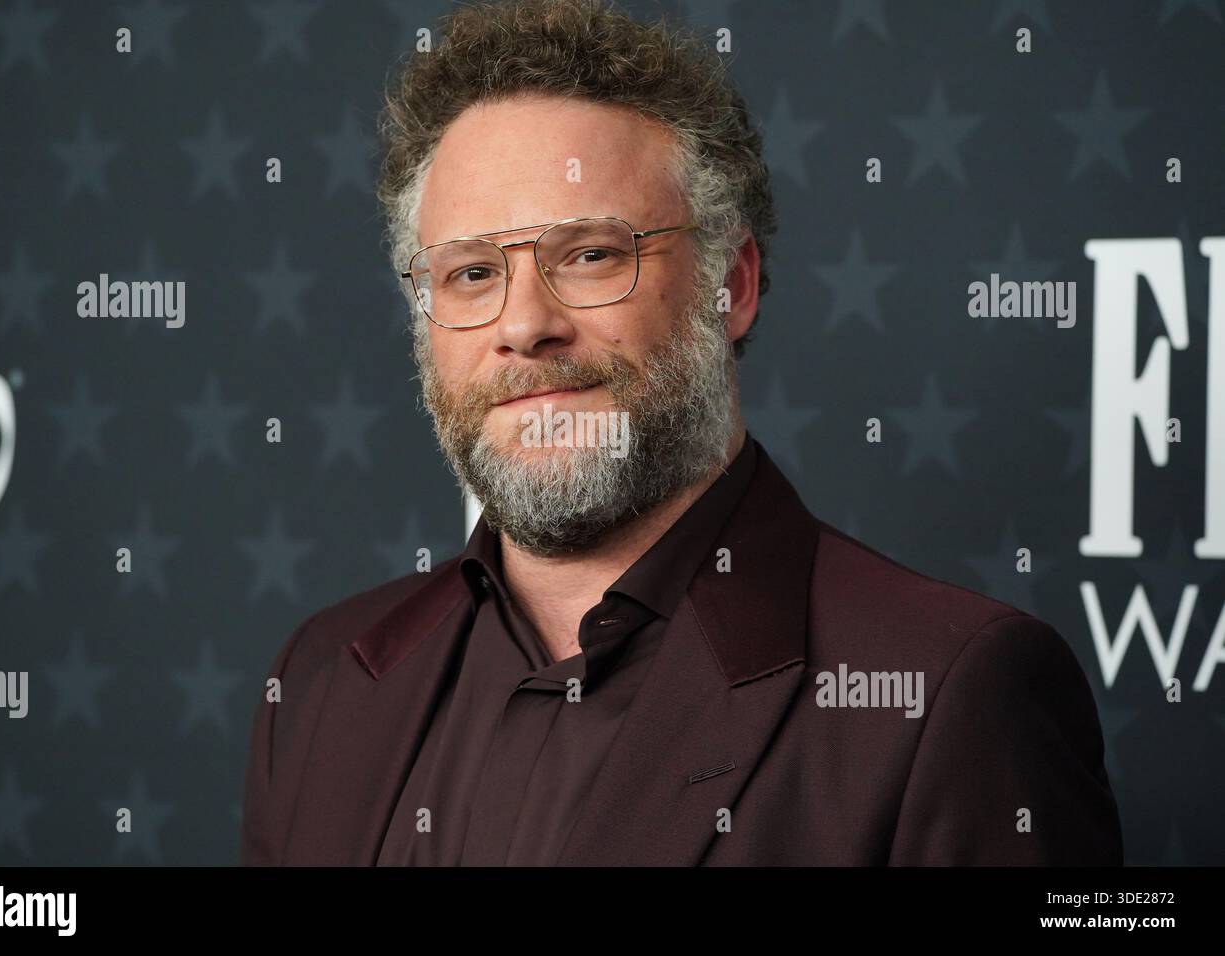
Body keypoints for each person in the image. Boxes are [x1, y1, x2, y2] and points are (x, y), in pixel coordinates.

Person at [239, 0, 1122, 866]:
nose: (525, 324)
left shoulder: (947, 695)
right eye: (471, 272)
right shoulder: (322, 681)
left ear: (728, 286)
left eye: (590, 254)